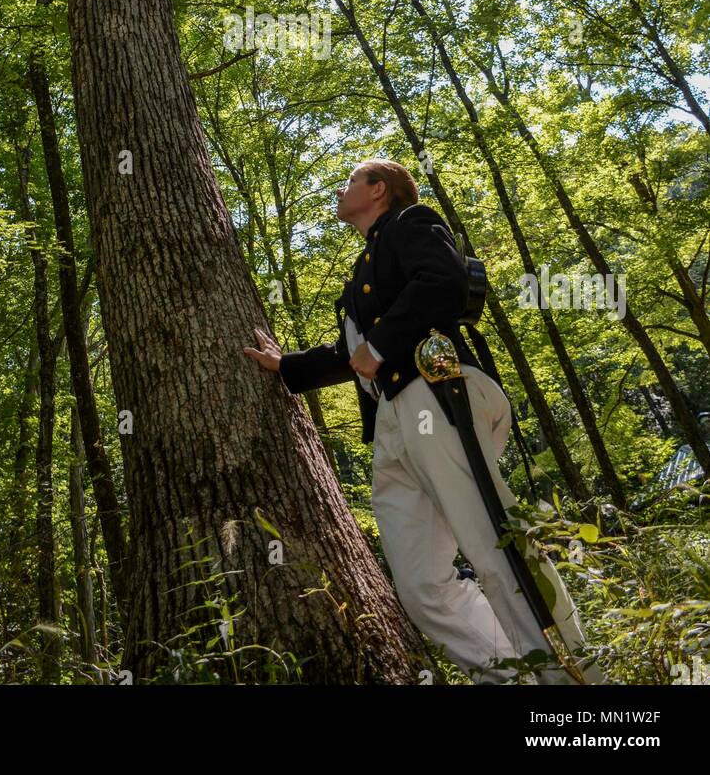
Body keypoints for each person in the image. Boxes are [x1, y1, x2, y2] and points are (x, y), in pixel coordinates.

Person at [244, 159, 607, 686]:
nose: (340, 193)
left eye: (350, 183)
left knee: (493, 546)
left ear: (378, 190)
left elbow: (444, 280)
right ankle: (515, 680)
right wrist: (288, 367)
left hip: (437, 394)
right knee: (420, 587)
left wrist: (380, 344)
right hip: (392, 421)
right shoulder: (362, 270)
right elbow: (351, 354)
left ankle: (577, 683)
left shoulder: (412, 221)